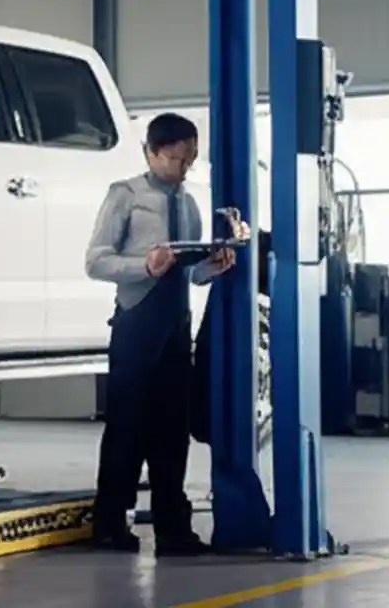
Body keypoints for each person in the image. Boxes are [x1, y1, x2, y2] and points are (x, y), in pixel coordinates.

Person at [83, 112, 236, 557]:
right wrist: (141, 266)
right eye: (174, 158)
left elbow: (188, 272)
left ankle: (174, 529)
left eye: (190, 159)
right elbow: (95, 261)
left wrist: (212, 267)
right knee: (127, 427)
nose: (183, 168)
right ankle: (110, 524)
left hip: (175, 326)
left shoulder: (189, 204)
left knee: (173, 429)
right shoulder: (126, 196)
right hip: (135, 322)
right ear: (151, 151)